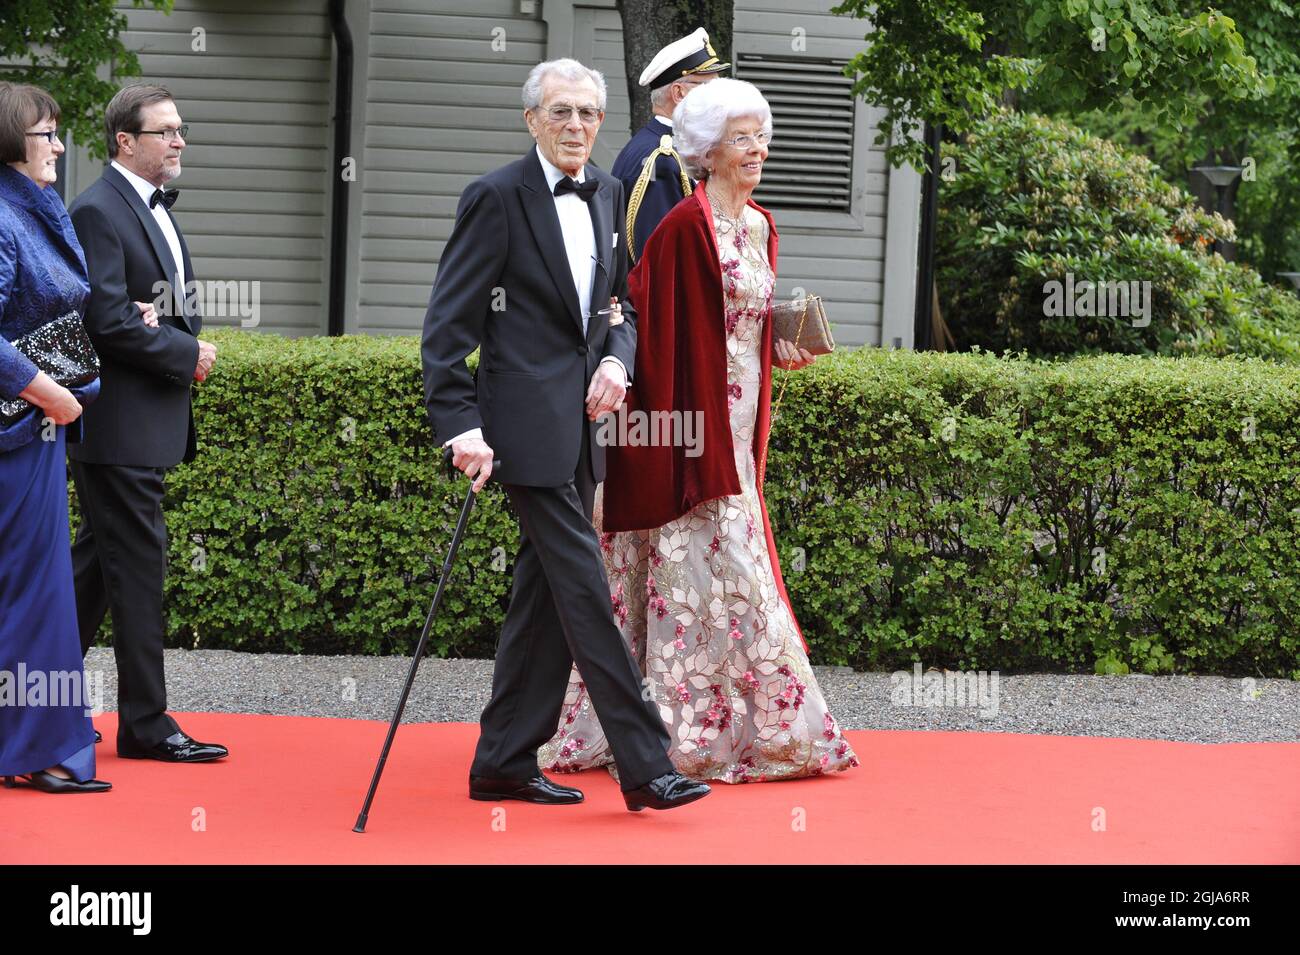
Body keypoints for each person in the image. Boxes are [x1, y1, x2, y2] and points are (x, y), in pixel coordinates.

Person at [540, 78, 860, 784]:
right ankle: (701, 736)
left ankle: (738, 729)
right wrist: (674, 440)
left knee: (718, 576)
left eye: (760, 136)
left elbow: (744, 329)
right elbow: (660, 337)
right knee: (704, 576)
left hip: (741, 427)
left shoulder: (760, 225)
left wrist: (787, 345)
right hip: (691, 428)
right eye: (741, 138)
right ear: (708, 151)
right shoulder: (687, 225)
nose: (757, 149)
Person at [422, 58, 710, 812]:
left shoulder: (611, 191)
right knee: (586, 591)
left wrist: (618, 361)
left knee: (545, 597)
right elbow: (446, 330)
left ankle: (505, 759)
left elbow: (622, 307)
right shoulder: (493, 198)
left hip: (586, 429)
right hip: (520, 434)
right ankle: (647, 764)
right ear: (531, 120)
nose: (576, 126)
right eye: (561, 113)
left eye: (587, 113)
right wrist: (461, 428)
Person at [67, 83, 227, 763]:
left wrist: (159, 323)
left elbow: (153, 305)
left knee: (94, 571)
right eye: (164, 131)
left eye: (180, 129)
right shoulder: (98, 210)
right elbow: (105, 320)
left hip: (140, 422)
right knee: (135, 569)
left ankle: (22, 699)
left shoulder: (147, 206)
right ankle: (147, 723)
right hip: (118, 425)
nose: (179, 141)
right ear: (124, 142)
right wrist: (187, 352)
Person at [0, 82, 110, 793]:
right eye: (46, 134)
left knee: (31, 590)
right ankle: (37, 750)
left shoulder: (25, 208)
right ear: (12, 140)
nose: (60, 147)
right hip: (19, 432)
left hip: (33, 431)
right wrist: (48, 391)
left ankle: (35, 740)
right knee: (33, 591)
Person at [612, 27, 727, 264]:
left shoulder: (670, 148)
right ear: (679, 93)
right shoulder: (661, 159)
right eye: (710, 89)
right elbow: (658, 264)